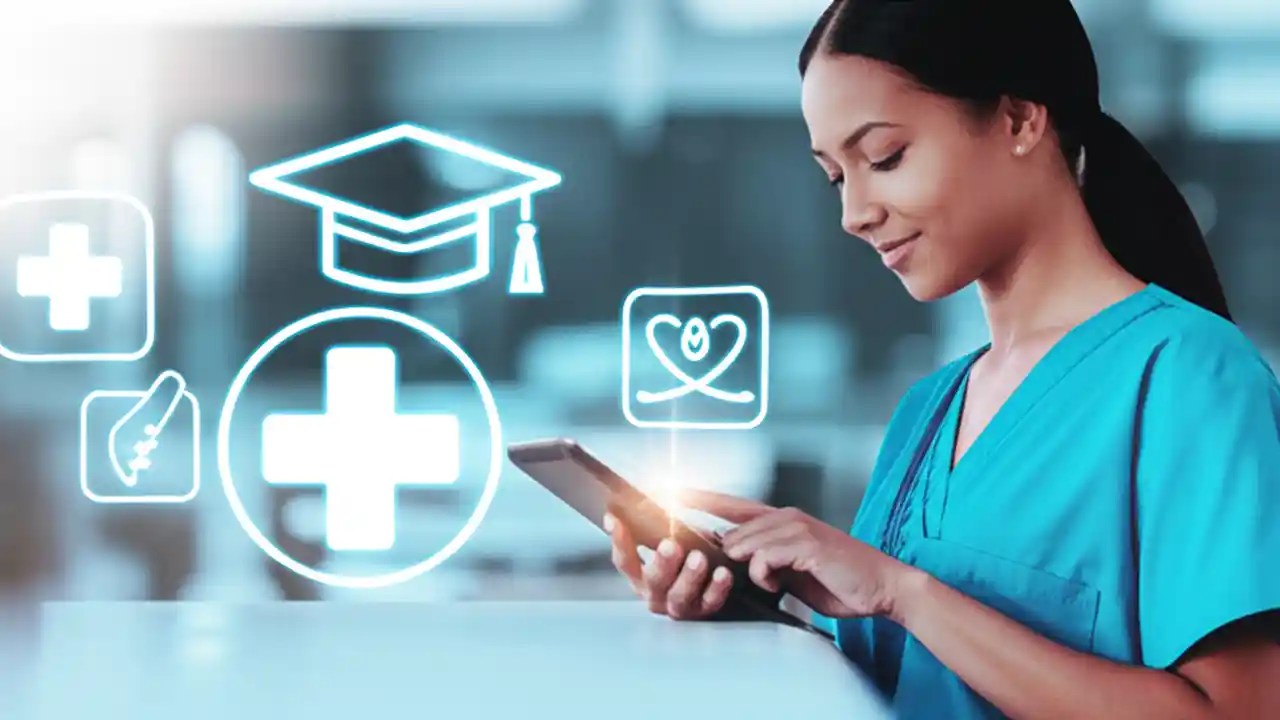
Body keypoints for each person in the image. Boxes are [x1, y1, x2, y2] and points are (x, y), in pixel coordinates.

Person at [604, 1, 1280, 717]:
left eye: (885, 157)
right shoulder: (926, 413)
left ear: (1021, 119)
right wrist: (747, 612)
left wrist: (904, 592)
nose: (853, 212)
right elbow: (903, 687)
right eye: (837, 176)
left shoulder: (1191, 377)